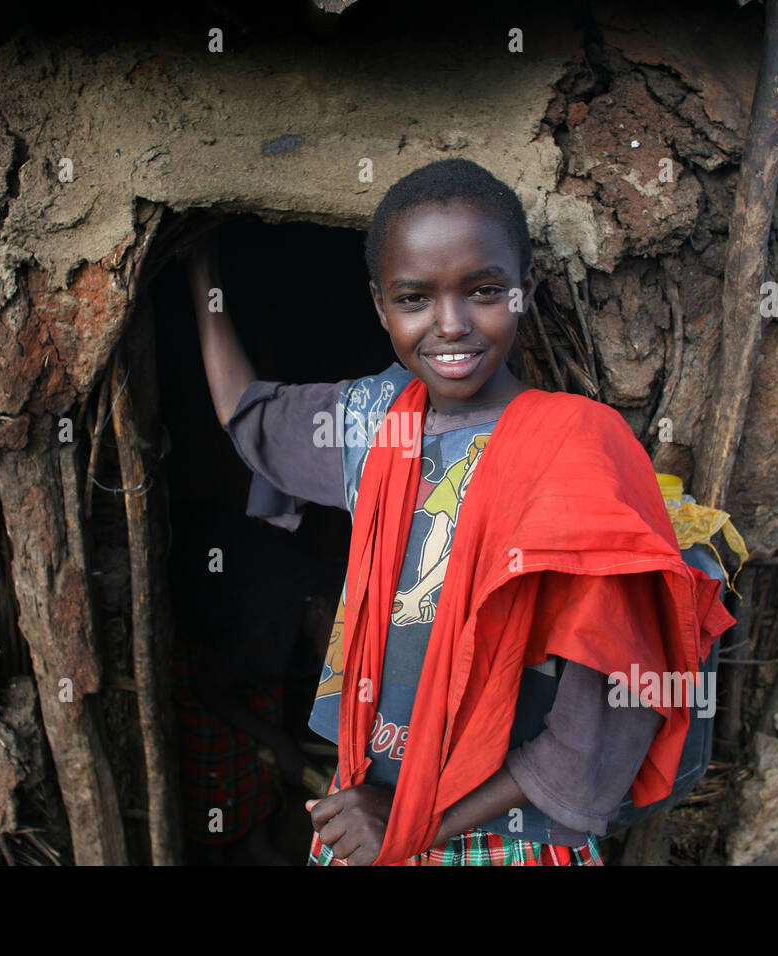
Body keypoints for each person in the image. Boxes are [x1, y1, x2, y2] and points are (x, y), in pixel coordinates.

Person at [189, 158, 735, 866]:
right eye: (415, 298)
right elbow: (246, 416)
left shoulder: (579, 451)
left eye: (482, 291)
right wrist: (202, 278)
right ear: (381, 306)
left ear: (524, 292)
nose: (450, 325)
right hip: (367, 815)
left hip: (506, 842)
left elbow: (606, 708)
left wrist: (419, 824)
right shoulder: (369, 423)